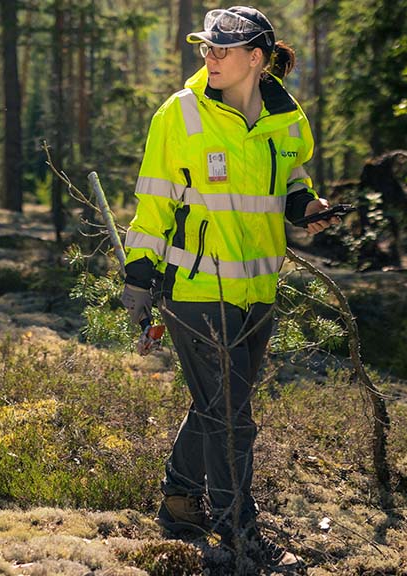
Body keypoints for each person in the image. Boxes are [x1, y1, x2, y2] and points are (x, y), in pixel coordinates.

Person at [120, 5, 341, 570]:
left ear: (256, 59)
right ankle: (237, 527)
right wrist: (140, 279)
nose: (209, 57)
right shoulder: (180, 114)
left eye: (222, 49)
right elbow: (153, 201)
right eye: (206, 48)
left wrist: (306, 207)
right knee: (231, 417)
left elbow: (292, 177)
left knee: (221, 404)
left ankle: (177, 501)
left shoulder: (288, 120)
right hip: (194, 287)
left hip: (259, 288)